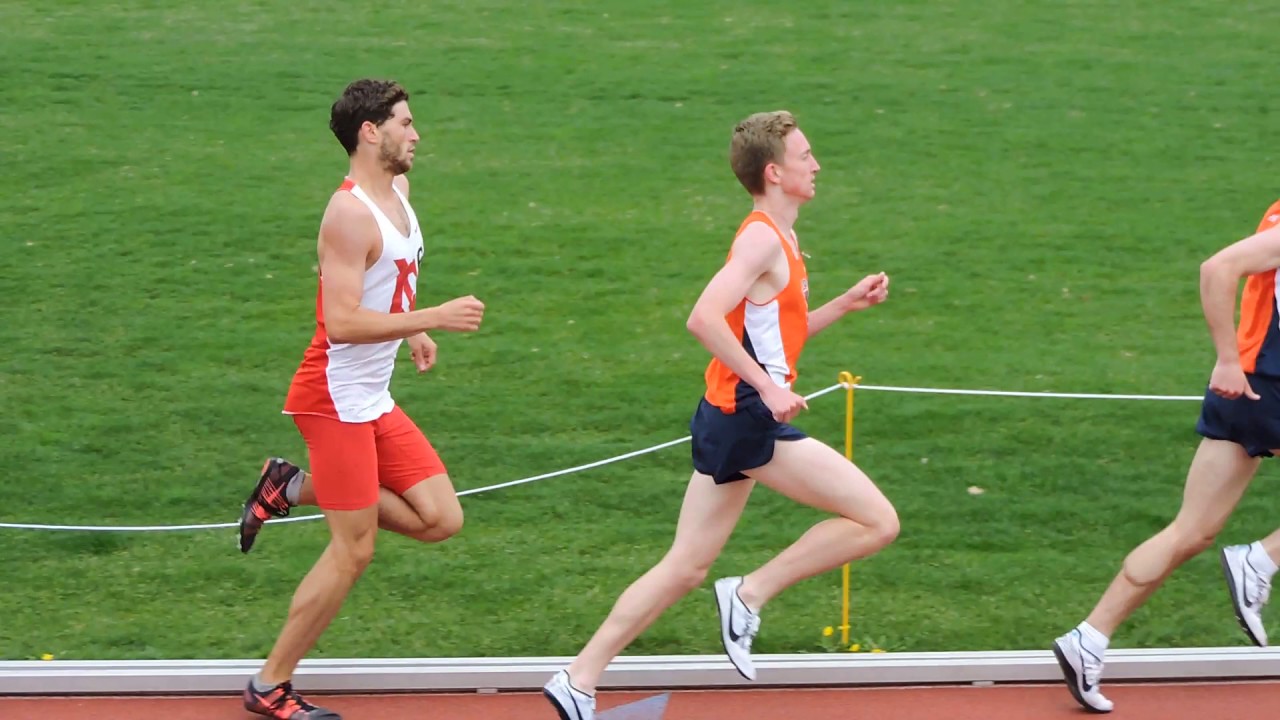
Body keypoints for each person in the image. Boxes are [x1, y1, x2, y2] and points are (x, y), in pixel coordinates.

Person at [542, 110, 900, 720]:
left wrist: (843, 304)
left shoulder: (782, 239)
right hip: (749, 418)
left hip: (729, 415)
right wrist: (771, 389)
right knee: (876, 522)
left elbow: (777, 337)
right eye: (805, 156)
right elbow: (703, 318)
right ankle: (750, 592)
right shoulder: (761, 237)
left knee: (685, 566)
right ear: (774, 173)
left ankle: (577, 678)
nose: (816, 165)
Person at [235, 78, 485, 720]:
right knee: (356, 547)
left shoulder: (397, 193)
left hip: (371, 394)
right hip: (334, 397)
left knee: (440, 518)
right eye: (405, 123)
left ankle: (287, 486)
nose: (416, 134)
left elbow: (386, 283)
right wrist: (432, 313)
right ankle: (271, 684)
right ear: (370, 133)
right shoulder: (346, 214)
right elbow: (341, 321)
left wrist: (415, 329)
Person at [1052, 201, 1280, 713]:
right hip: (1265, 383)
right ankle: (1261, 559)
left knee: (1192, 531)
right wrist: (1225, 357)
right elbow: (1217, 267)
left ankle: (1088, 637)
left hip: (1245, 387)